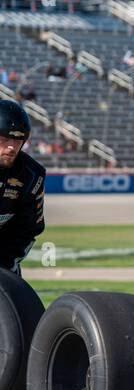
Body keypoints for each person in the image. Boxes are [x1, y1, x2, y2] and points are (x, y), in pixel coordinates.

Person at [0, 100, 45, 276]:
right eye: (4, 139)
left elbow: (27, 229)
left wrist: (5, 268)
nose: (11, 147)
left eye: (18, 140)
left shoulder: (32, 175)